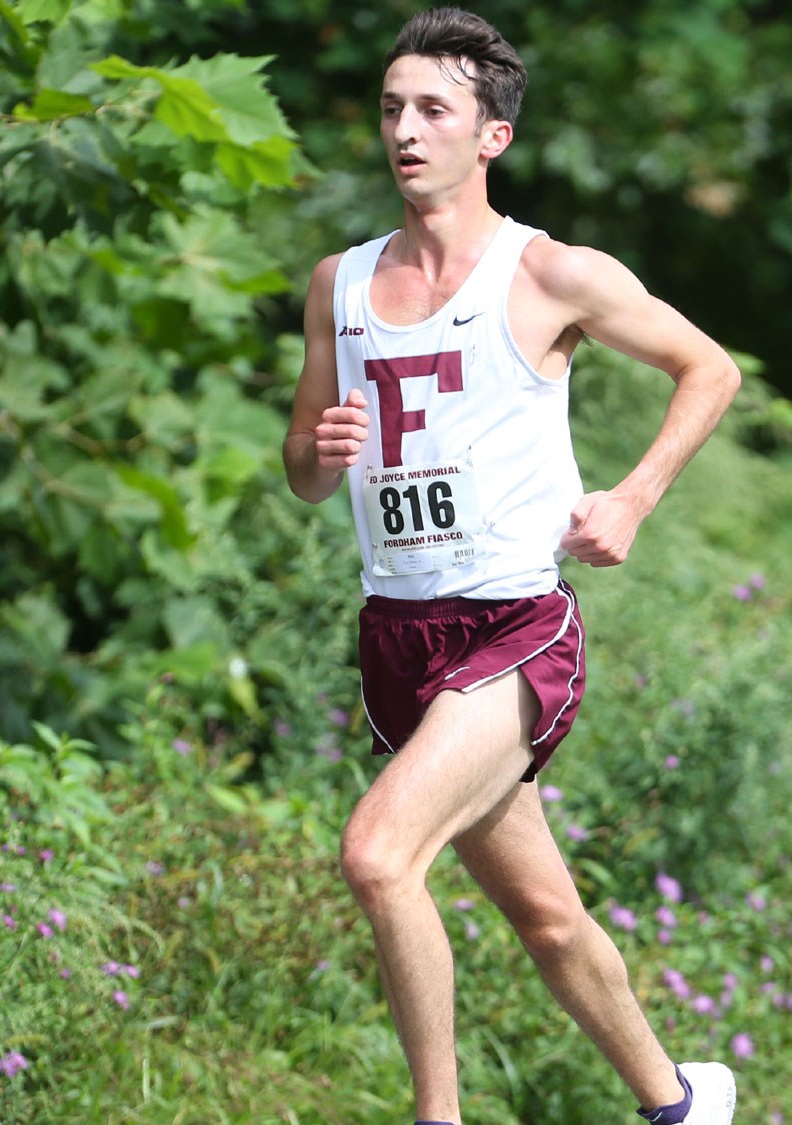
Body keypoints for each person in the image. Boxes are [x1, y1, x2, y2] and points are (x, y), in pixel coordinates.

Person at [282, 8, 742, 1124]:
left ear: (489, 135)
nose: (404, 128)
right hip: (396, 636)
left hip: (512, 628)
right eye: (390, 107)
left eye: (432, 109)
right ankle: (680, 1102)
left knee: (379, 855)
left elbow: (708, 368)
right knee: (545, 919)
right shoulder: (337, 286)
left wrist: (630, 497)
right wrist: (318, 450)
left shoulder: (547, 274)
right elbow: (302, 470)